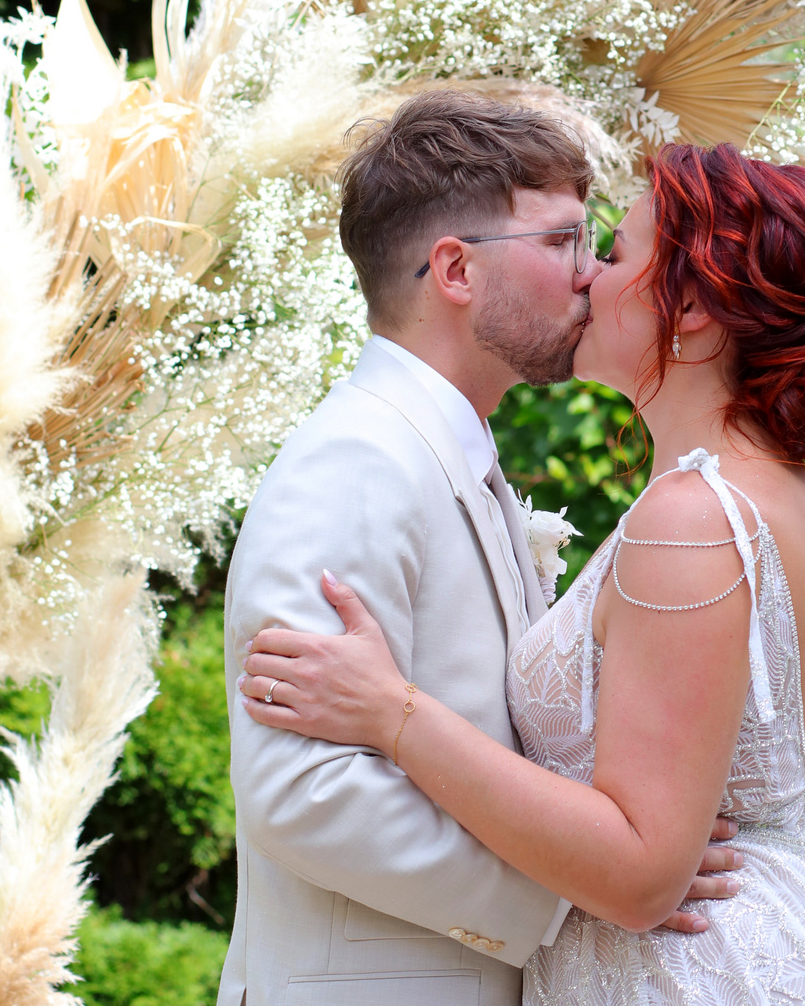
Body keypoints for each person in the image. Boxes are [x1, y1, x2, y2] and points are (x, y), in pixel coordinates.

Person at [238, 141, 805, 1004]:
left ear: (695, 307)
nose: (588, 278)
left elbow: (638, 874)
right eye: (573, 248)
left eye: (615, 252)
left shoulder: (696, 517)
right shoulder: (790, 506)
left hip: (686, 969)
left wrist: (394, 714)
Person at [217, 91, 739, 1006]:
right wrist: (577, 892)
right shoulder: (355, 460)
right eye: (563, 240)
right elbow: (302, 794)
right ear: (455, 271)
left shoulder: (448, 452)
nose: (590, 274)